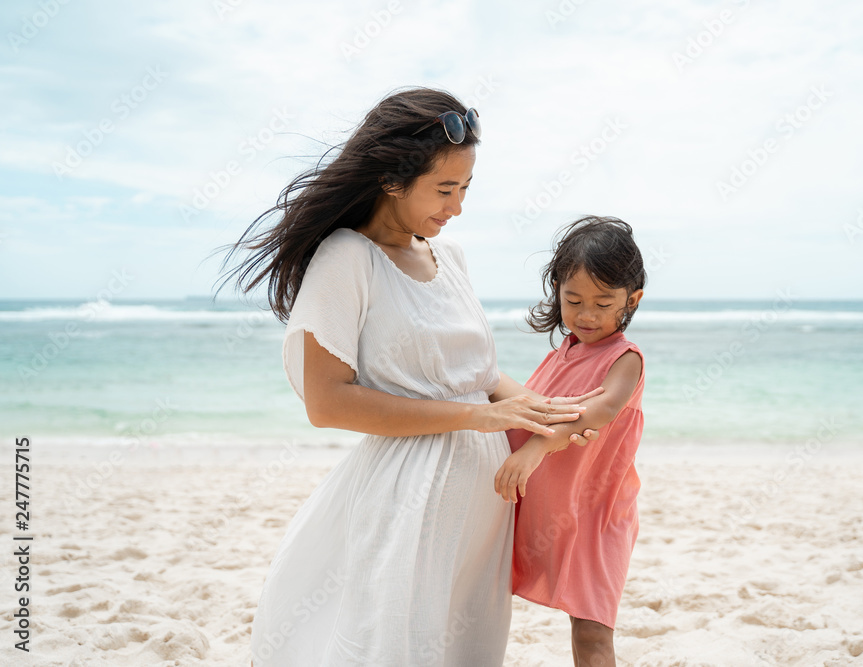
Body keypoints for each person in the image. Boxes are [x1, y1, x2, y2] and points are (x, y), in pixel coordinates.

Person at [215, 87, 601, 666]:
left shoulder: (451, 258)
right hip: (406, 501)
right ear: (392, 181)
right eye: (444, 190)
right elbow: (328, 404)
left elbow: (479, 375)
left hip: (482, 510)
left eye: (465, 188)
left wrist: (553, 413)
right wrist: (479, 417)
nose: (457, 207)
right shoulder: (347, 258)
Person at [494, 215, 646, 667]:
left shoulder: (625, 359)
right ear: (557, 290)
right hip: (549, 507)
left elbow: (600, 412)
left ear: (631, 300)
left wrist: (536, 447)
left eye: (603, 303)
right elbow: (534, 406)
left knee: (592, 629)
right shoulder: (562, 352)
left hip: (595, 514)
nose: (586, 315)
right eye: (573, 300)